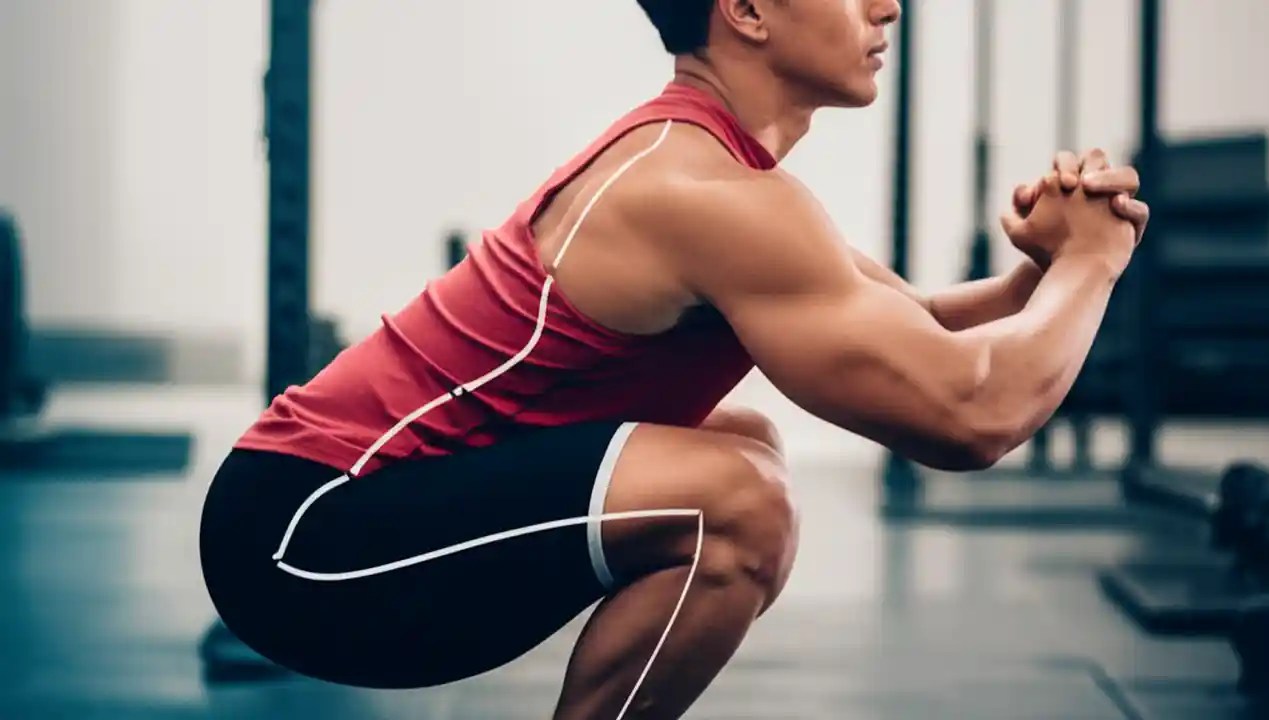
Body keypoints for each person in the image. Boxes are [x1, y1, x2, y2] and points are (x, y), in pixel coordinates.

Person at [199, 1, 1150, 718]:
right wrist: (1094, 260)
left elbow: (926, 336)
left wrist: (1049, 269)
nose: (886, 6)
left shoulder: (714, 169)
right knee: (734, 502)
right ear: (743, 10)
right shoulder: (699, 193)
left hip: (339, 513)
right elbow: (968, 414)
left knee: (745, 443)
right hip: (301, 541)